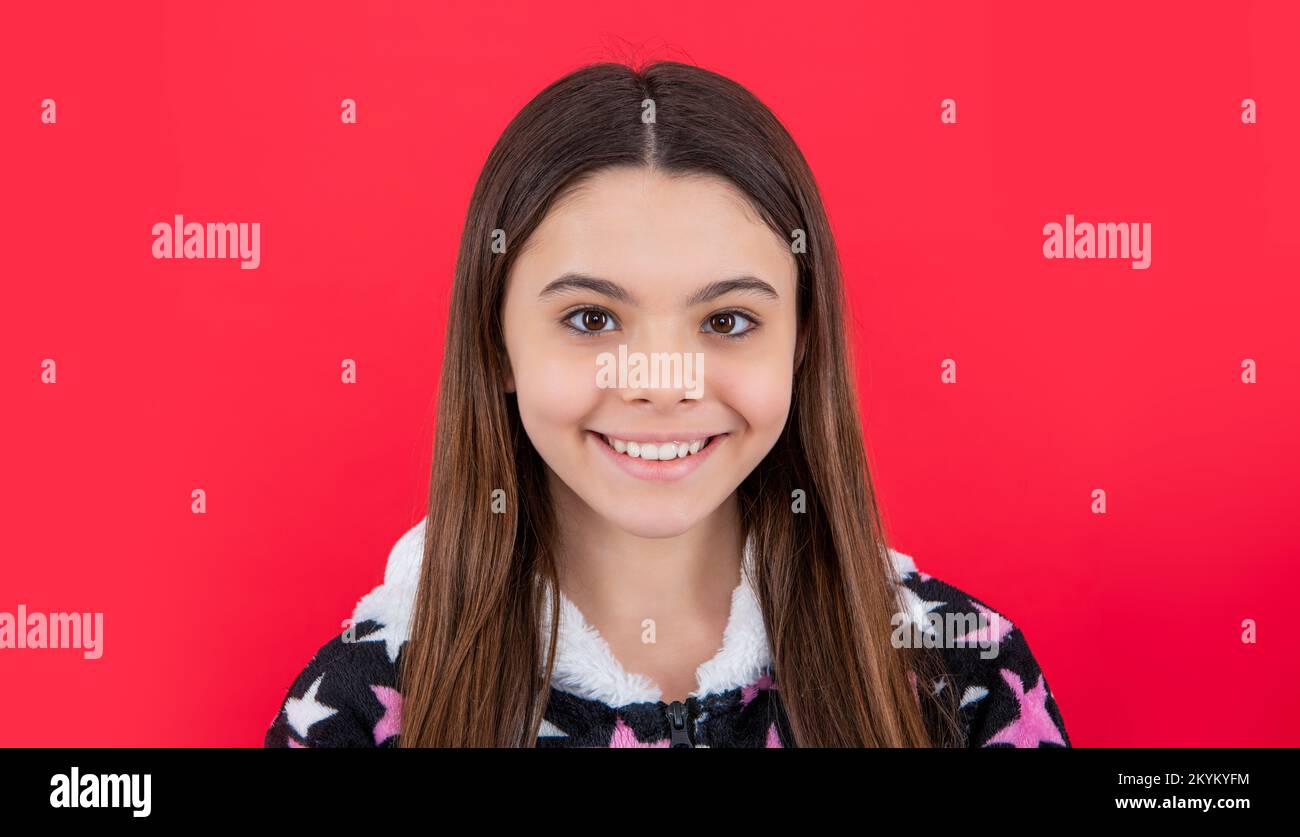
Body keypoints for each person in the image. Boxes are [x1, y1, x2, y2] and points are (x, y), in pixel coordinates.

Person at [265, 60, 1071, 748]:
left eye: (727, 321)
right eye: (590, 319)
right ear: (496, 342)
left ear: (799, 344)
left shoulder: (966, 673)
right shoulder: (356, 710)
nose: (661, 379)